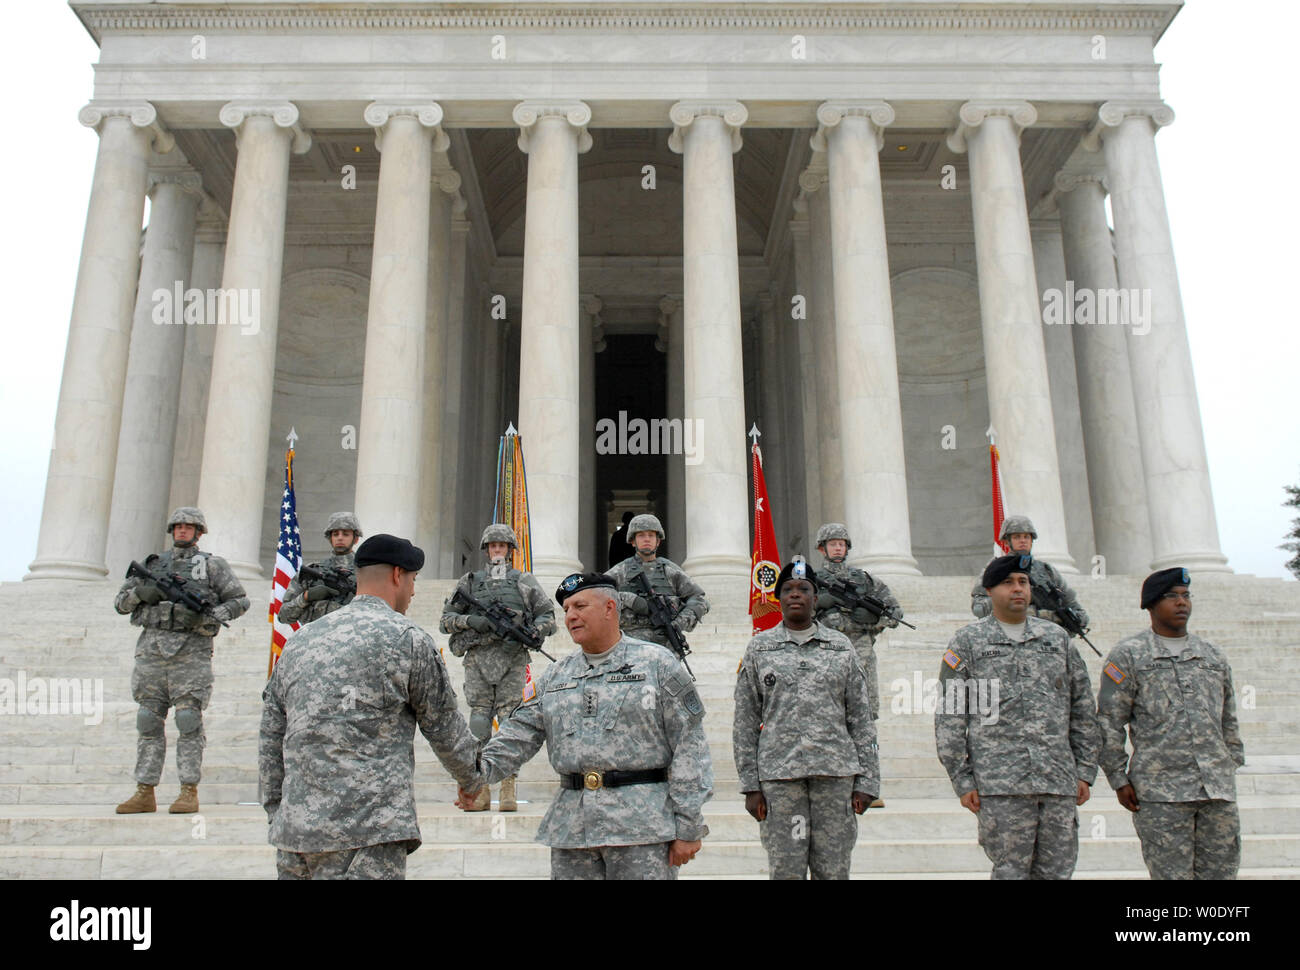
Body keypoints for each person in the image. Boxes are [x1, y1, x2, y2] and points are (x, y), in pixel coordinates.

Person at [259, 534, 484, 880]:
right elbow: (444, 728)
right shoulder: (406, 638)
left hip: (295, 837)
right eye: (412, 580)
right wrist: (472, 780)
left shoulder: (299, 643)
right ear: (398, 575)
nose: (412, 592)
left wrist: (278, 811)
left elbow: (272, 735)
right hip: (367, 836)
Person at [462, 572, 712, 880]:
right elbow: (517, 736)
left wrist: (688, 824)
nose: (570, 616)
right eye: (566, 609)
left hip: (641, 830)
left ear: (610, 608)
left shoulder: (657, 664)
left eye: (580, 606)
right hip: (573, 832)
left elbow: (690, 745)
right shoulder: (556, 676)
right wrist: (473, 775)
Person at [936, 553, 1100, 879]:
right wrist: (962, 779)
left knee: (1057, 873)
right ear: (989, 591)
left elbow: (1082, 708)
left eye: (1023, 582)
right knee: (1010, 872)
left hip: (1057, 781)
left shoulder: (1057, 640)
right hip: (1000, 786)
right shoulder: (967, 642)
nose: (1018, 589)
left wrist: (1084, 771)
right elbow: (951, 716)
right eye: (1008, 583)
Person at [733, 559, 878, 879]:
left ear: (816, 598)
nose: (795, 595)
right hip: (780, 780)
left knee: (833, 869)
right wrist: (750, 785)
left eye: (804, 589)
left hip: (835, 776)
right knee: (786, 870)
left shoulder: (841, 647)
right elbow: (745, 722)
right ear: (778, 598)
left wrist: (868, 781)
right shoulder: (760, 648)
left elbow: (860, 718)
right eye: (787, 590)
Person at [1097, 568, 1245, 879]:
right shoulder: (1128, 656)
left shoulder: (1211, 655)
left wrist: (1230, 762)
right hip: (1160, 794)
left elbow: (1228, 715)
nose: (1181, 603)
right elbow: (1109, 721)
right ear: (1150, 605)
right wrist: (1118, 777)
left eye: (1186, 596)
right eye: (1171, 596)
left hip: (1216, 792)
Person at [113, 507, 249, 815]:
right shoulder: (152, 564)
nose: (183, 531)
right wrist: (140, 595)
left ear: (199, 532)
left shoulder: (213, 565)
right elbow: (121, 604)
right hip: (152, 651)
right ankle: (144, 790)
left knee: (188, 721)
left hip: (191, 652)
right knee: (148, 720)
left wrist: (215, 613)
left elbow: (240, 600)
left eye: (189, 527)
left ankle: (188, 790)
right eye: (178, 527)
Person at [439, 523, 557, 812]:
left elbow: (549, 617)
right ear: (486, 549)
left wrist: (531, 631)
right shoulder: (469, 582)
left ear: (511, 550)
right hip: (478, 658)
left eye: (502, 546)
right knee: (479, 722)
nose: (497, 551)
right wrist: (471, 622)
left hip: (512, 659)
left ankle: (507, 786)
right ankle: (478, 788)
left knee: (509, 723)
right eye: (493, 546)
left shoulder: (523, 581)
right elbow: (446, 619)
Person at [812, 523, 904, 806]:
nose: (838, 547)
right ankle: (830, 786)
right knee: (826, 718)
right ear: (822, 548)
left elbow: (896, 613)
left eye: (842, 543)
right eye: (833, 543)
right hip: (824, 656)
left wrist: (873, 619)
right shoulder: (812, 580)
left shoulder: (866, 581)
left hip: (861, 655)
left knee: (865, 722)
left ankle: (868, 785)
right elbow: (793, 613)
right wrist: (819, 604)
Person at [604, 513, 709, 647]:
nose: (647, 539)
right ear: (632, 541)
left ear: (658, 541)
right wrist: (628, 599)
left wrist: (679, 623)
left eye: (651, 535)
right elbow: (596, 596)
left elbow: (698, 599)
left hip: (665, 646)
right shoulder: (620, 571)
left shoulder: (670, 570)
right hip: (628, 646)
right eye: (641, 535)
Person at [970, 515, 1089, 631]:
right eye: (1017, 537)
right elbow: (979, 607)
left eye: (1026, 537)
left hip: (1046, 637)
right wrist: (1019, 605)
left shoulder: (1047, 571)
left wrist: (1062, 617)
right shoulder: (995, 568)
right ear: (1007, 542)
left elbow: (1078, 610)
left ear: (1032, 540)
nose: (1023, 541)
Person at [279, 511, 362, 626]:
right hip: (313, 640)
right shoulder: (313, 571)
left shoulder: (365, 572)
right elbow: (283, 616)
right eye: (335, 534)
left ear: (356, 539)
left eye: (346, 534)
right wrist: (306, 597)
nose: (340, 538)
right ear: (330, 538)